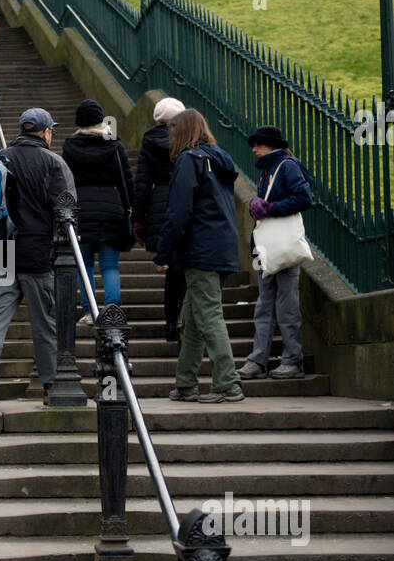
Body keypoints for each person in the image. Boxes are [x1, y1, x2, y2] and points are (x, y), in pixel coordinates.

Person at [0, 108, 77, 410]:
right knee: (45, 323)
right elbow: (67, 210)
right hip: (38, 251)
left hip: (1, 249)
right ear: (45, 133)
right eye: (51, 131)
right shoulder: (53, 163)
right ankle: (50, 385)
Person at [154, 109, 244, 403]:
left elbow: (178, 212)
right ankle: (185, 383)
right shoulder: (218, 160)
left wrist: (164, 252)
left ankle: (227, 383)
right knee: (192, 318)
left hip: (201, 251)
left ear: (181, 131)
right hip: (223, 246)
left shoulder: (188, 161)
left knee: (208, 315)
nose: (169, 136)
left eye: (171, 130)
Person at [238, 125, 314, 382]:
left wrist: (269, 207)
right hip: (269, 247)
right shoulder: (270, 169)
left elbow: (304, 197)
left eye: (258, 144)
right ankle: (260, 360)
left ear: (271, 145)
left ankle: (290, 360)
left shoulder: (286, 166)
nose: (254, 150)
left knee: (285, 305)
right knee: (266, 304)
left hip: (280, 247)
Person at [61, 99, 134, 323]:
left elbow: (63, 181)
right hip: (111, 209)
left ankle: (90, 311)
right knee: (110, 265)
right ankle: (113, 308)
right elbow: (127, 181)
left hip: (81, 210)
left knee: (84, 266)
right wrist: (130, 206)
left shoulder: (70, 147)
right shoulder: (115, 145)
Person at [133, 97, 187, 341]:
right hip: (185, 200)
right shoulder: (188, 141)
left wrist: (139, 218)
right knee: (187, 267)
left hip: (159, 203)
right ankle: (185, 318)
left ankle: (171, 322)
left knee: (172, 270)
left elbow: (142, 184)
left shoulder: (149, 141)